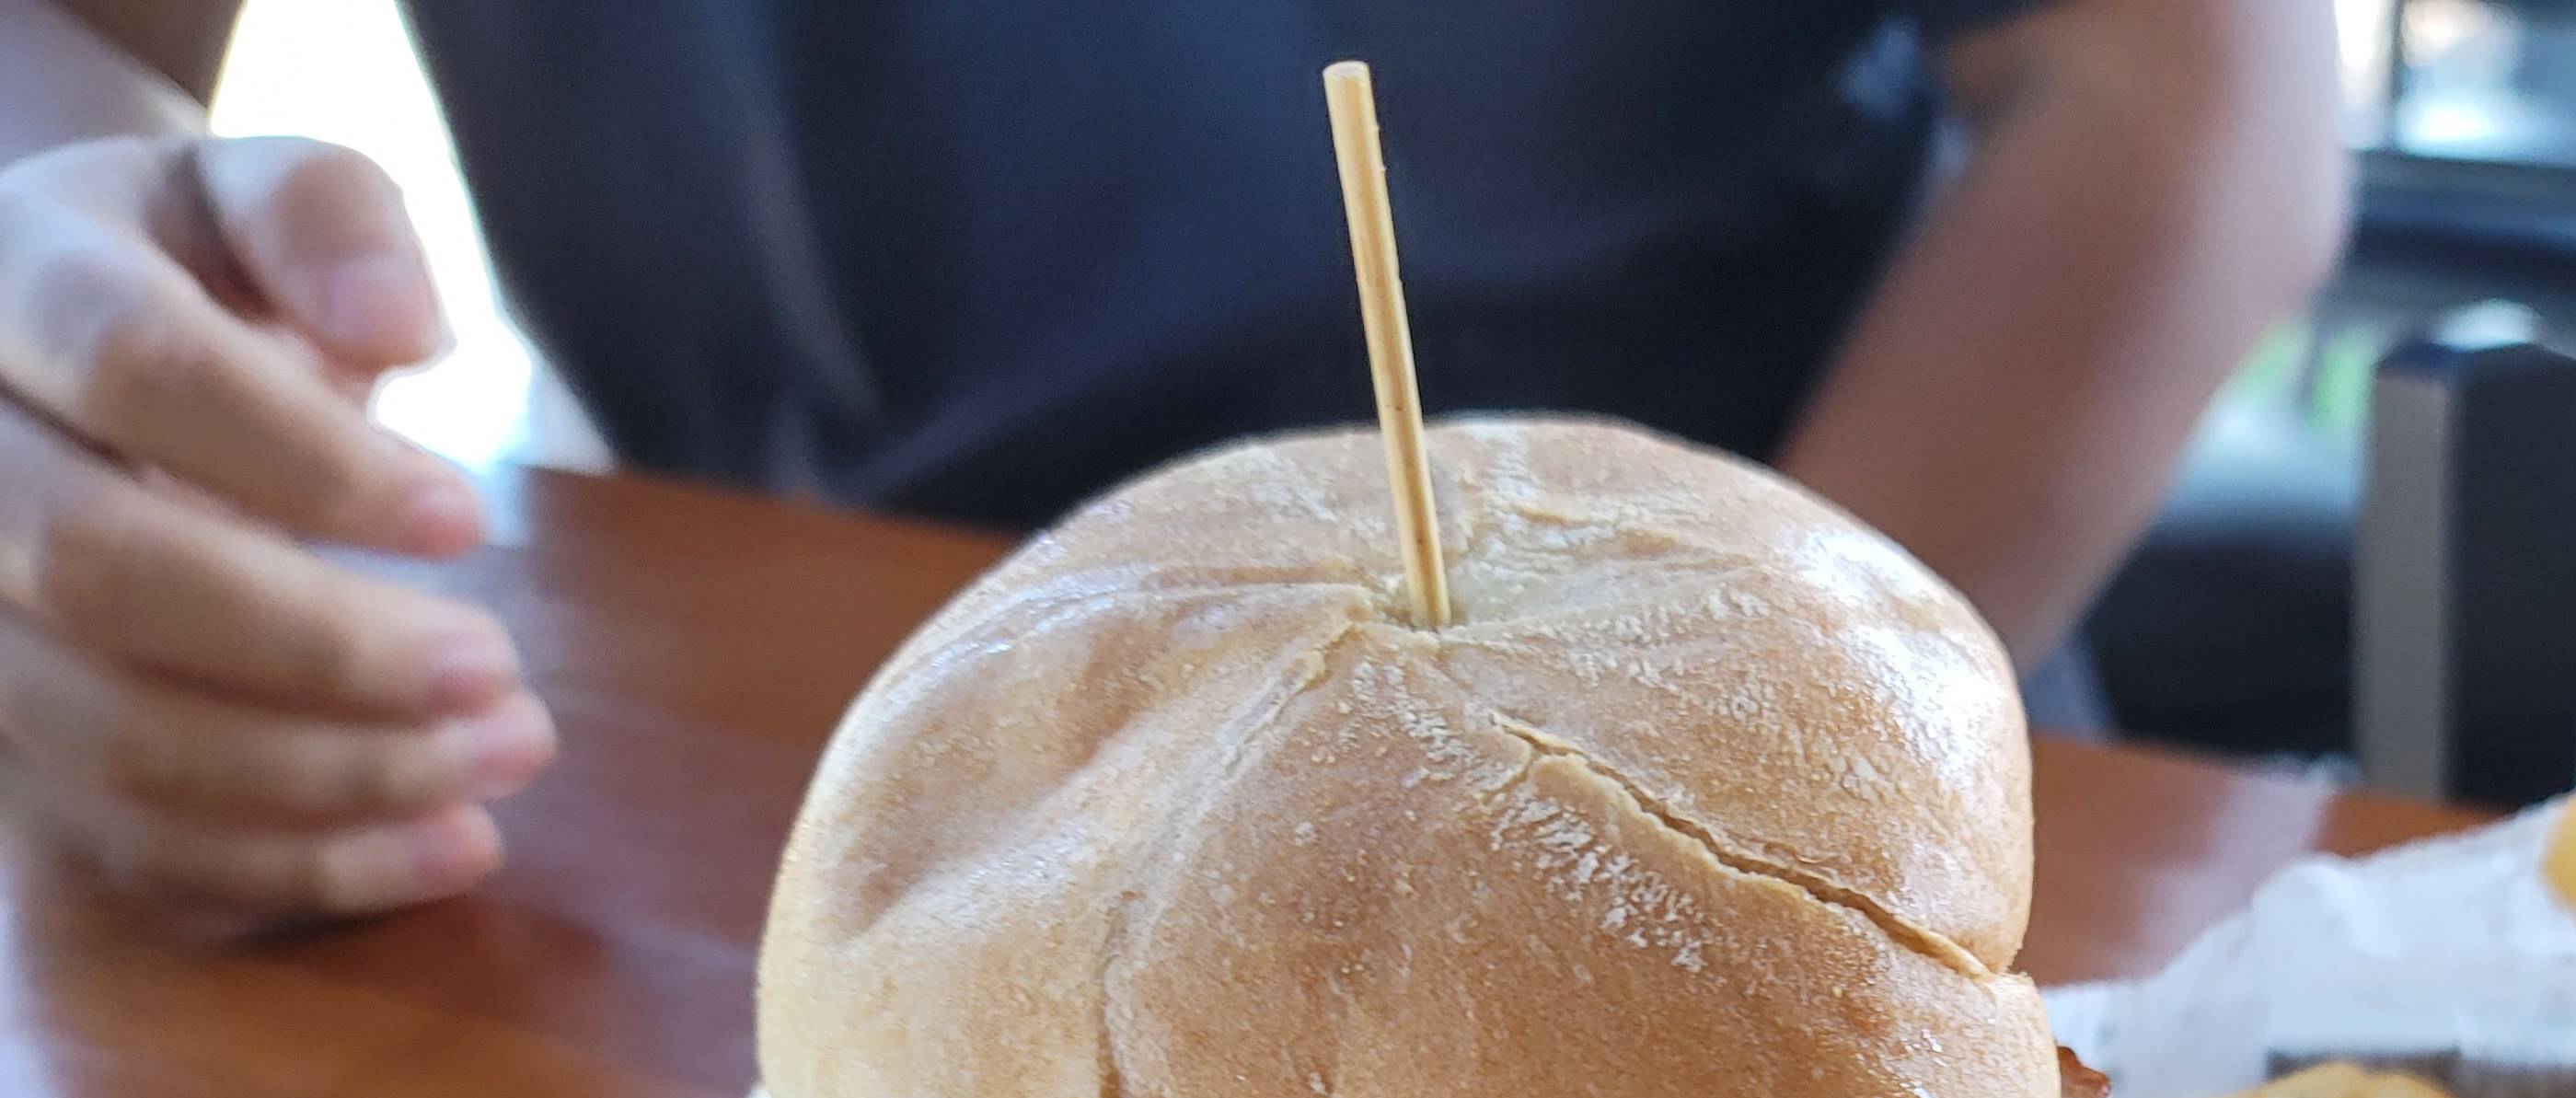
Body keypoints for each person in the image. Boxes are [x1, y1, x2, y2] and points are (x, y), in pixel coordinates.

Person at [0, 2, 2344, 919]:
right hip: (722, 773)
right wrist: (67, 317)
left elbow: (2183, 78)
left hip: (1819, 719)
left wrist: (1760, 789)